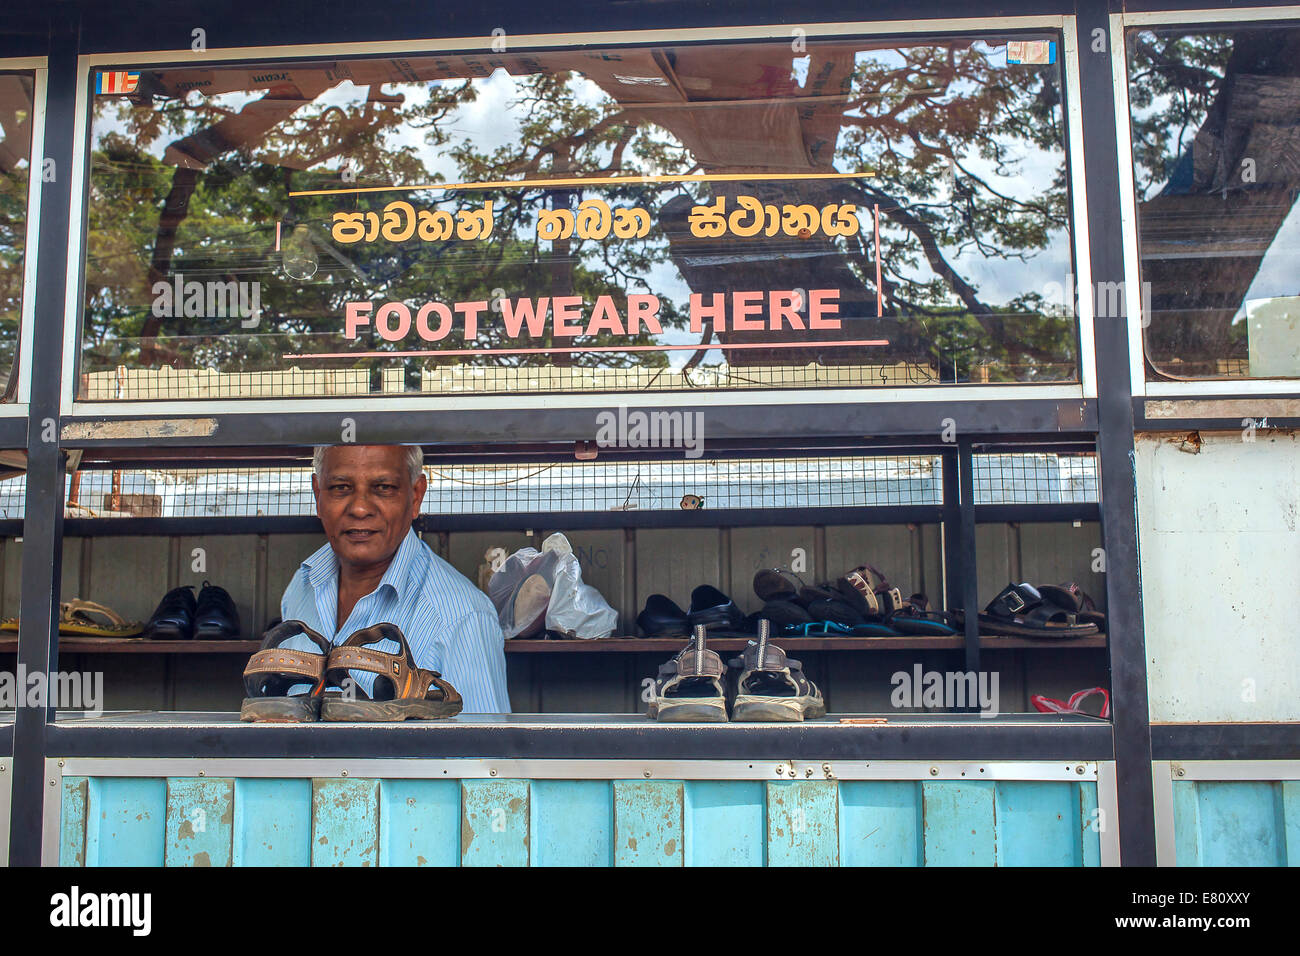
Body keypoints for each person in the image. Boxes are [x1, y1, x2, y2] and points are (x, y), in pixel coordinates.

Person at [278, 443, 510, 713]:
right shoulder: (303, 585)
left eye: (383, 488)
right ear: (318, 495)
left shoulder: (462, 616)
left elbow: (482, 749)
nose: (360, 508)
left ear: (416, 496)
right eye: (341, 487)